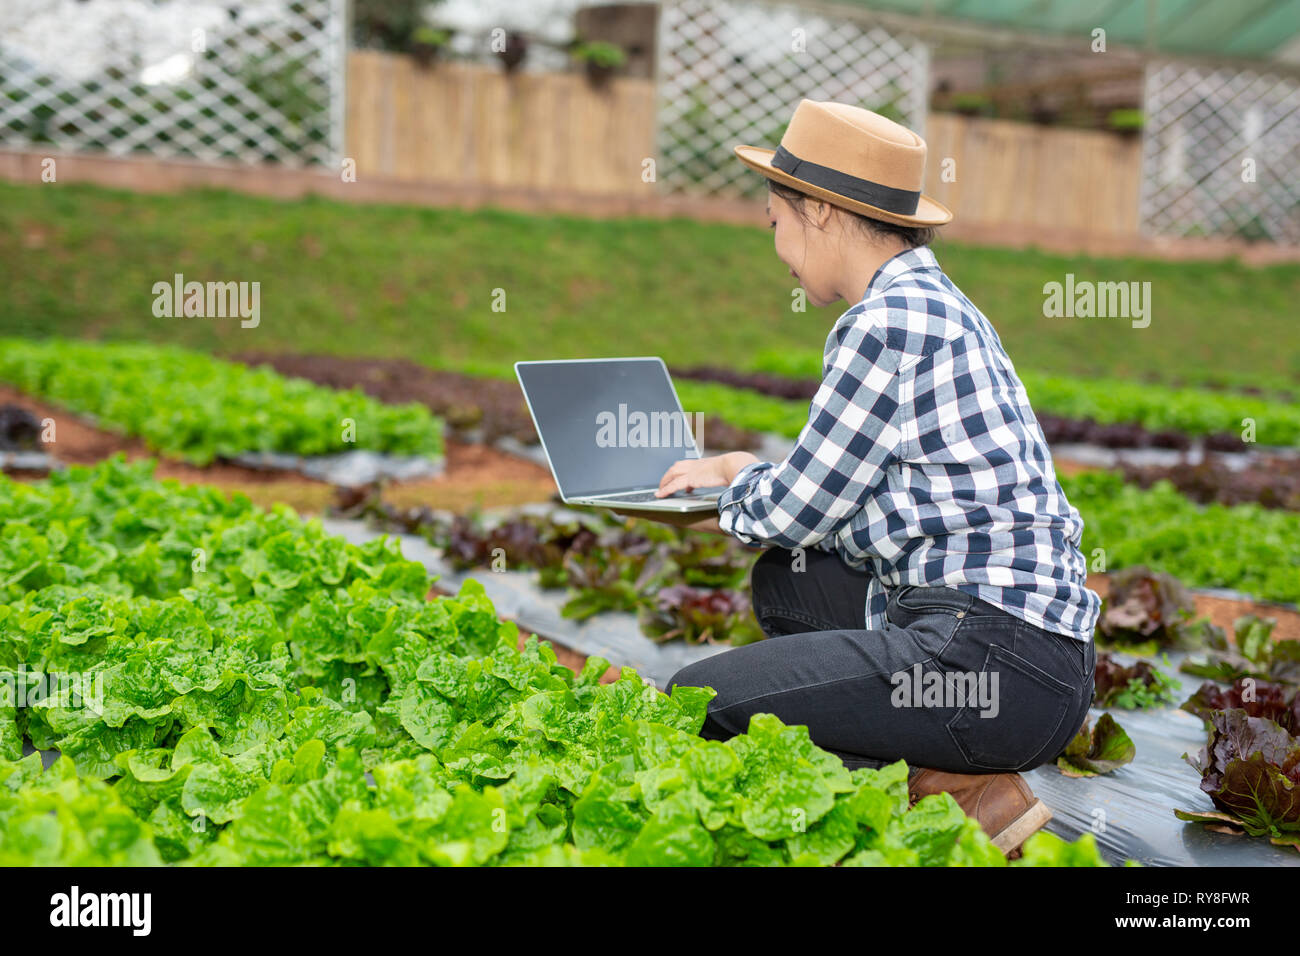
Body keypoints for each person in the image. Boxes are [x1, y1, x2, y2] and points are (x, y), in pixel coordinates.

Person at [657, 99, 1100, 855]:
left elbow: (795, 510)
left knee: (698, 701)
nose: (780, 250)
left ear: (821, 213)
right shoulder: (938, 305)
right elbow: (858, 514)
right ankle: (953, 781)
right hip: (1035, 669)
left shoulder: (884, 322)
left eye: (776, 224)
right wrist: (744, 475)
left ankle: (935, 787)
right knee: (791, 583)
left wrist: (724, 492)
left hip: (991, 665)